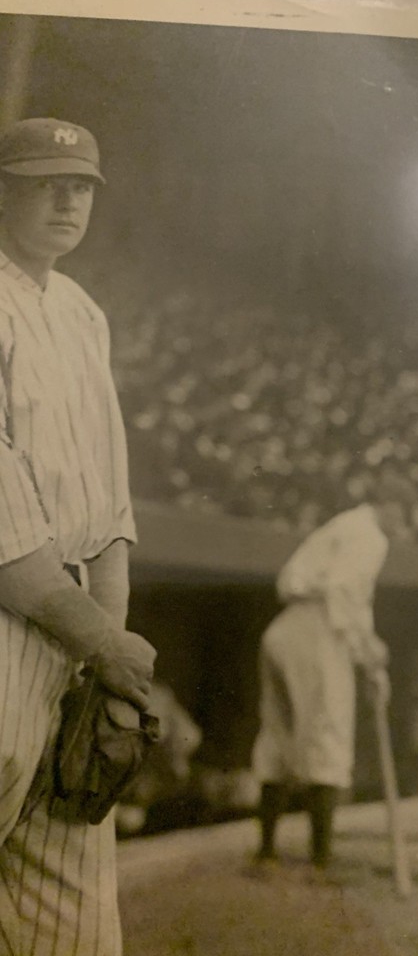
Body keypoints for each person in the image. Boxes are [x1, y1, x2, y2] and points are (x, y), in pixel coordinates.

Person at [0, 118, 156, 955]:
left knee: (75, 928)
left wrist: (113, 652)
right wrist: (101, 639)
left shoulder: (85, 314)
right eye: (44, 180)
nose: (67, 199)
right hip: (12, 615)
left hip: (77, 638)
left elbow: (110, 501)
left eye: (82, 185)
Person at [251, 500, 392, 870]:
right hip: (318, 628)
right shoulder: (371, 534)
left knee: (278, 735)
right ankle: (321, 861)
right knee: (328, 734)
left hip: (283, 627)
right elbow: (343, 594)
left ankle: (266, 852)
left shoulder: (339, 523)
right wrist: (368, 652)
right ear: (391, 505)